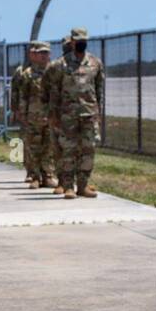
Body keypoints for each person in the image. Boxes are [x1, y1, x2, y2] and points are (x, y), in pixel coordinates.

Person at [45, 26, 103, 199]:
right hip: (67, 116)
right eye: (78, 41)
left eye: (84, 41)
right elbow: (54, 92)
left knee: (88, 150)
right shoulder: (61, 65)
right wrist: (53, 115)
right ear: (72, 42)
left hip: (89, 115)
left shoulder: (95, 63)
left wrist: (98, 112)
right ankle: (68, 186)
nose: (81, 43)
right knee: (68, 151)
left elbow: (98, 90)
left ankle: (83, 186)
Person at [9, 41, 53, 189]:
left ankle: (47, 176)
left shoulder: (55, 72)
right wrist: (20, 113)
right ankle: (34, 176)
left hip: (51, 116)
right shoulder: (27, 73)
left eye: (46, 53)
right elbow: (22, 95)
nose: (43, 56)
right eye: (41, 53)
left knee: (49, 146)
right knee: (32, 146)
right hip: (33, 116)